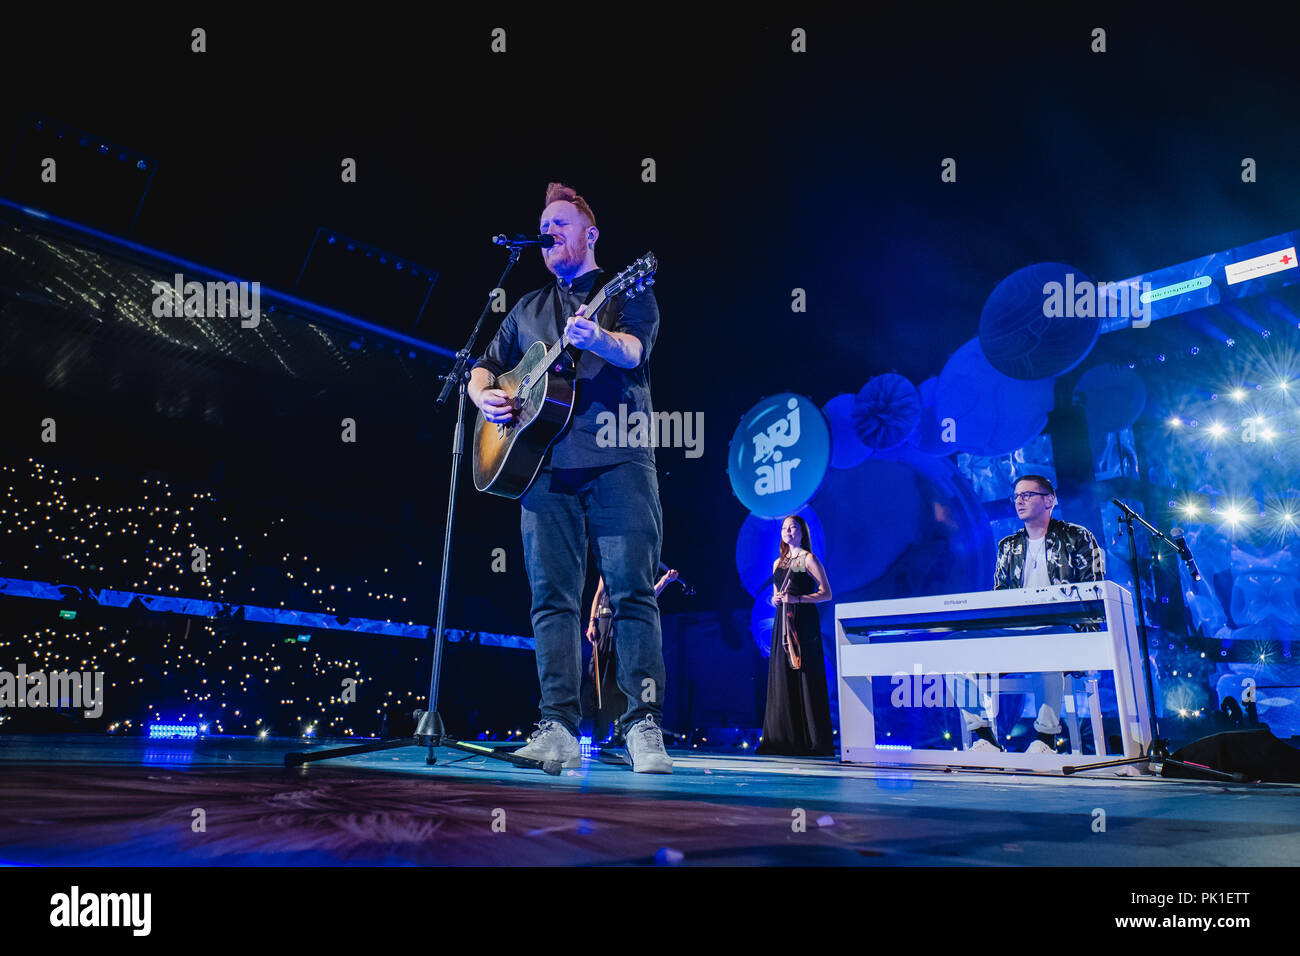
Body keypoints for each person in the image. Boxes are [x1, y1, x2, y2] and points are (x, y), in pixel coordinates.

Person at [468, 182, 671, 773]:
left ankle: (642, 728)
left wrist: (598, 337)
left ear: (590, 234)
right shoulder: (528, 306)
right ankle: (556, 726)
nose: (548, 232)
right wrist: (487, 398)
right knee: (550, 600)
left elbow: (633, 351)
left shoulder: (630, 289)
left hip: (618, 459)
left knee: (631, 594)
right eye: (544, 226)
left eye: (559, 222)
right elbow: (482, 367)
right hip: (541, 466)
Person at [963, 474, 1105, 754]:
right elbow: (1000, 596)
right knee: (955, 654)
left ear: (1049, 500)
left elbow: (1094, 593)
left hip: (1064, 633)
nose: (1019, 501)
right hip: (1016, 635)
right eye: (1016, 496)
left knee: (1048, 645)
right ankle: (983, 736)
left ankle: (1045, 739)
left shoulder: (1077, 537)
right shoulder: (1008, 546)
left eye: (1027, 495)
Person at [756, 515, 835, 756]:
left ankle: (812, 740)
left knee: (804, 674)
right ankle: (784, 739)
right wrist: (774, 599)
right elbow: (775, 594)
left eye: (793, 527)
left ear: (802, 533)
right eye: (784, 528)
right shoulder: (777, 563)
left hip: (803, 622)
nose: (788, 531)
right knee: (782, 675)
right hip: (783, 621)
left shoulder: (808, 558)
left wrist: (798, 599)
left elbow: (826, 593)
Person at [583, 567, 680, 745]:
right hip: (604, 622)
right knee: (599, 678)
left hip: (626, 625)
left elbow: (649, 598)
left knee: (623, 679)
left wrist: (665, 581)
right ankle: (599, 730)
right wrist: (592, 621)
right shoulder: (609, 562)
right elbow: (599, 593)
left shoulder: (640, 566)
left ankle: (620, 731)